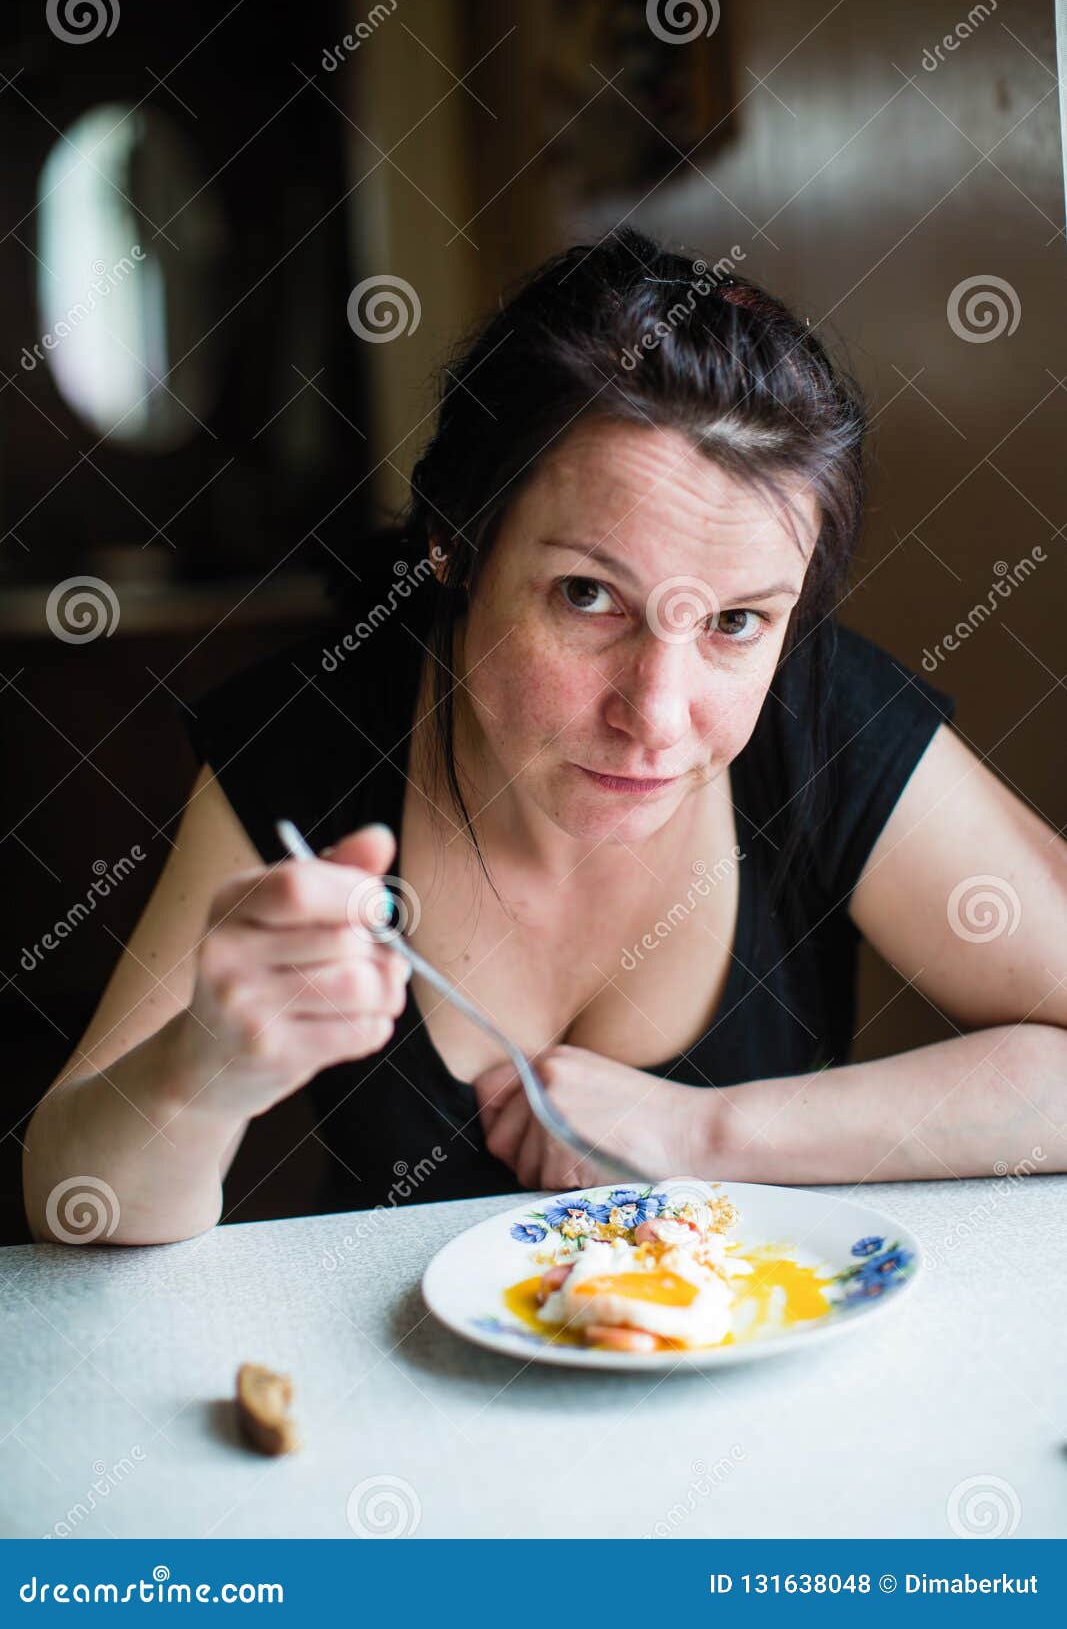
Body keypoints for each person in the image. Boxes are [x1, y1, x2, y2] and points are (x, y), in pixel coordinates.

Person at [23, 228, 1067, 1246]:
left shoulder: (823, 717)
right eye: (585, 595)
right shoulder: (317, 736)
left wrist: (702, 1132)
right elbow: (76, 1202)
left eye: (736, 621)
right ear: (454, 547)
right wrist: (198, 1066)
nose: (655, 715)